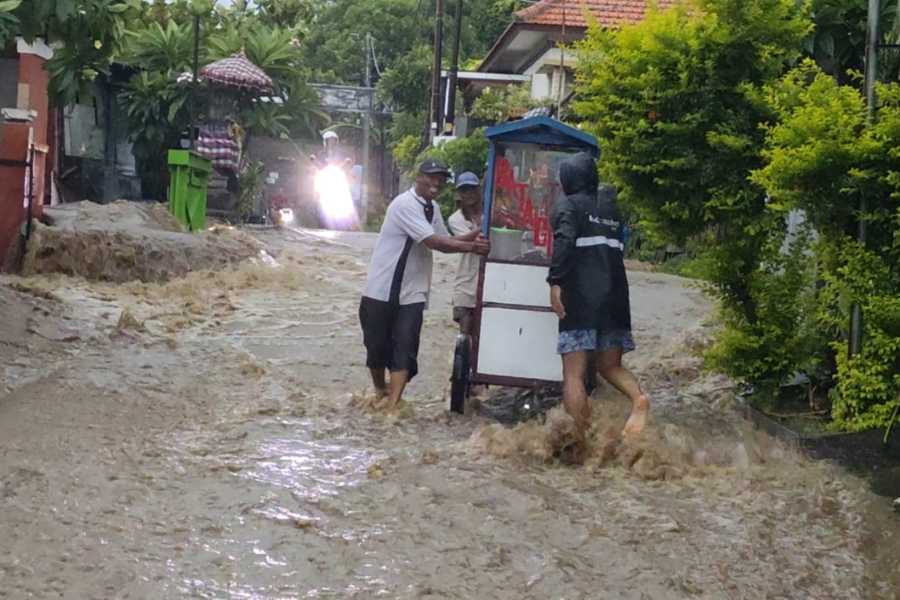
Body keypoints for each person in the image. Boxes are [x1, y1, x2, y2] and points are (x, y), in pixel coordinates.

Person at [360, 159, 491, 408]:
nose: (436, 183)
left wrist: (480, 232)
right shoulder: (404, 205)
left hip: (413, 293)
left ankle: (392, 407)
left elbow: (446, 239)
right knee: (376, 350)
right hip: (380, 290)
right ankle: (380, 391)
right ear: (418, 177)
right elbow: (434, 242)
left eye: (441, 179)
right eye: (431, 177)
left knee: (405, 350)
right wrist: (473, 247)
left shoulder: (434, 208)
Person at [547, 152, 650, 451]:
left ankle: (580, 441)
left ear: (568, 179)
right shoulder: (611, 210)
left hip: (581, 301)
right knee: (610, 366)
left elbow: (565, 242)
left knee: (574, 374)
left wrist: (555, 282)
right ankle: (638, 398)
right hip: (616, 300)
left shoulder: (568, 205)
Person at [447, 172, 483, 335]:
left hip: (489, 280)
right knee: (464, 334)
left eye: (472, 189)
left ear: (479, 190)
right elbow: (469, 241)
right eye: (464, 190)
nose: (469, 194)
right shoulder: (455, 219)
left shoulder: (490, 212)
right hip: (466, 284)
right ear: (459, 194)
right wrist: (486, 225)